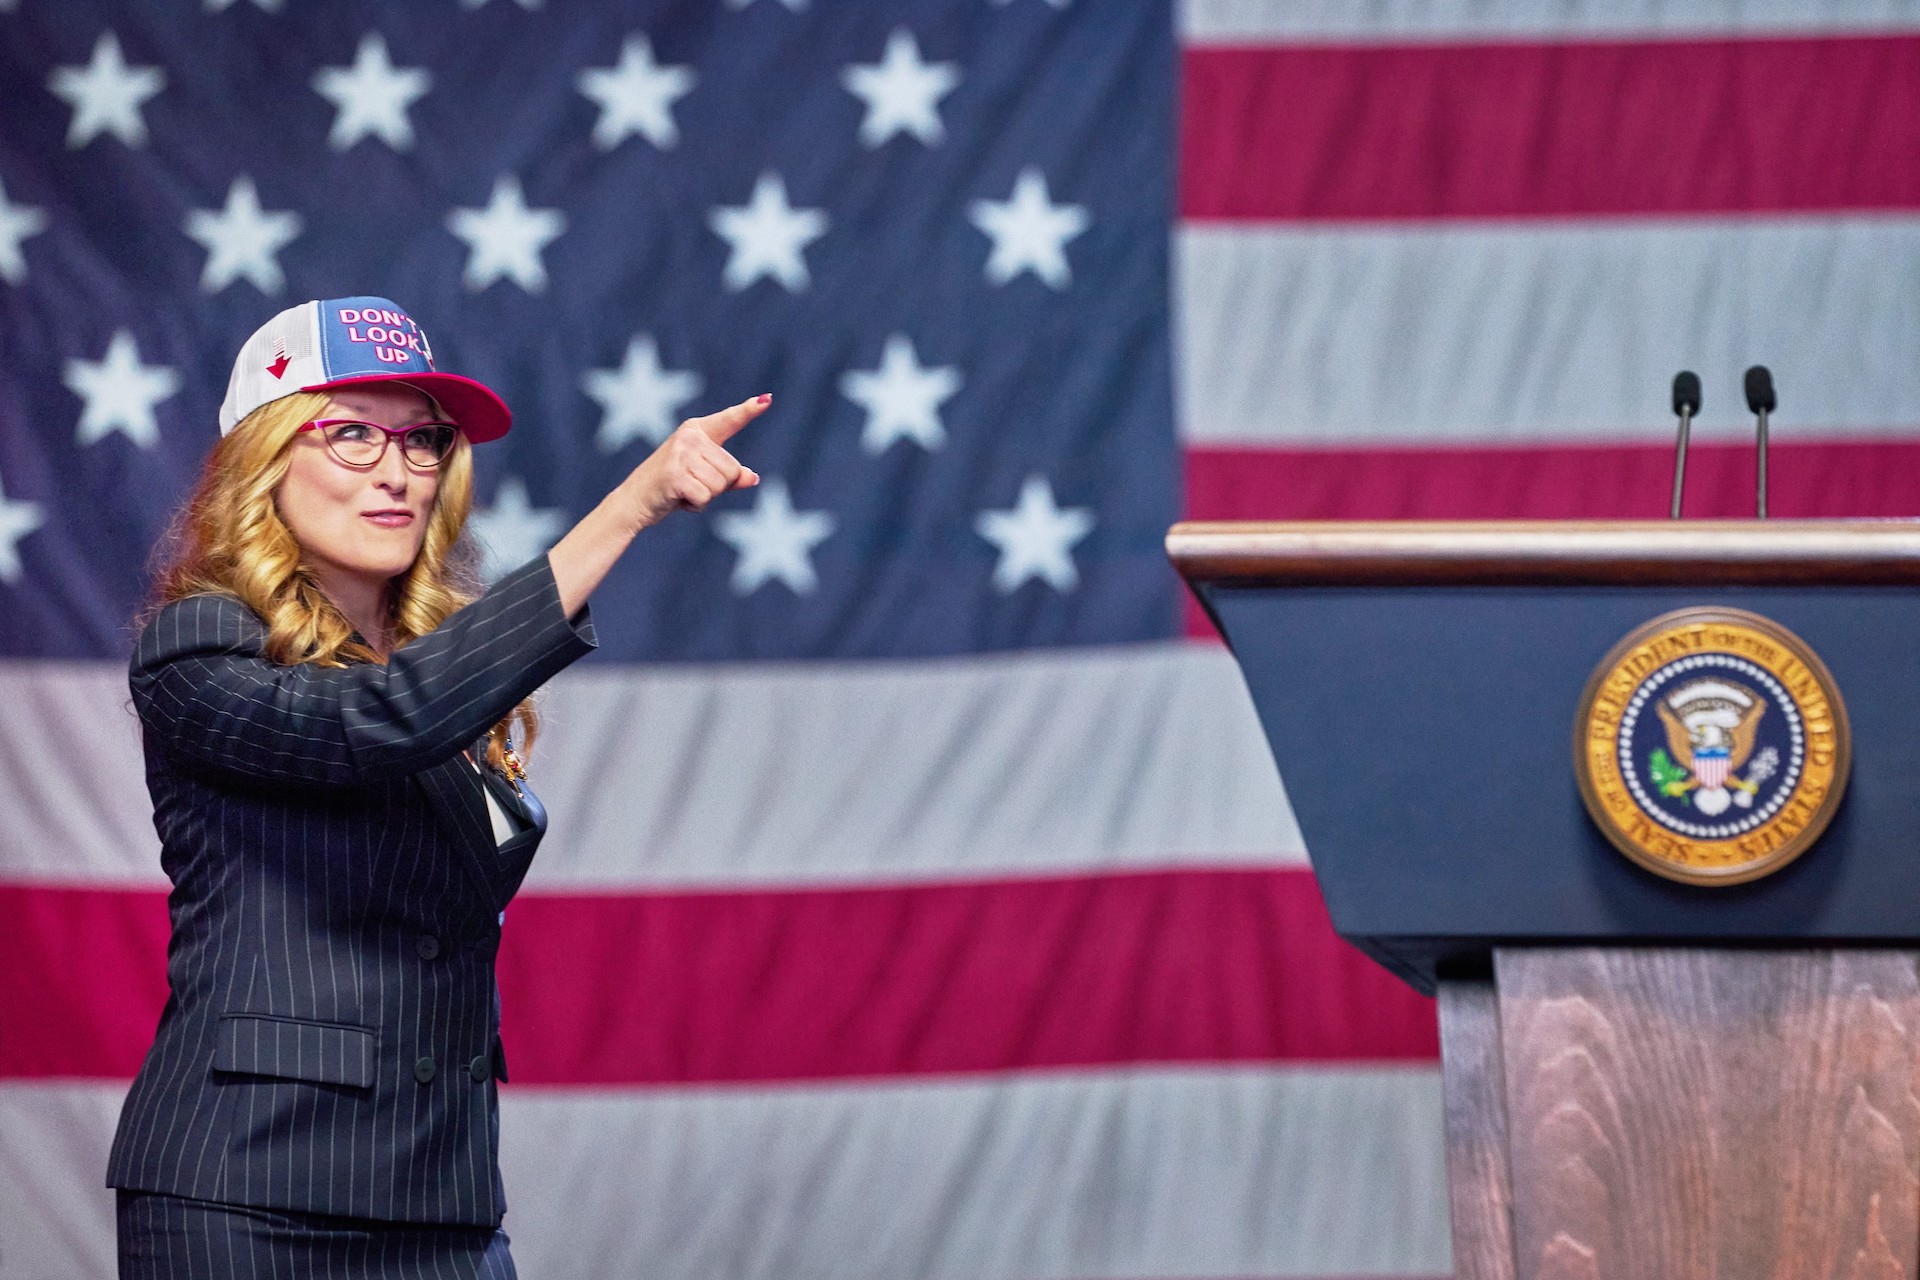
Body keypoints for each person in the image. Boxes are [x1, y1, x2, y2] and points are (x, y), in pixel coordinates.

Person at [106, 297, 765, 1277]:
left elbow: (413, 714)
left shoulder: (446, 668)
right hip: (248, 1194)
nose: (395, 469)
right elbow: (371, 722)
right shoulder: (198, 645)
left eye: (421, 439)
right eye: (351, 433)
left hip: (442, 1195)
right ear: (266, 460)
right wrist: (630, 505)